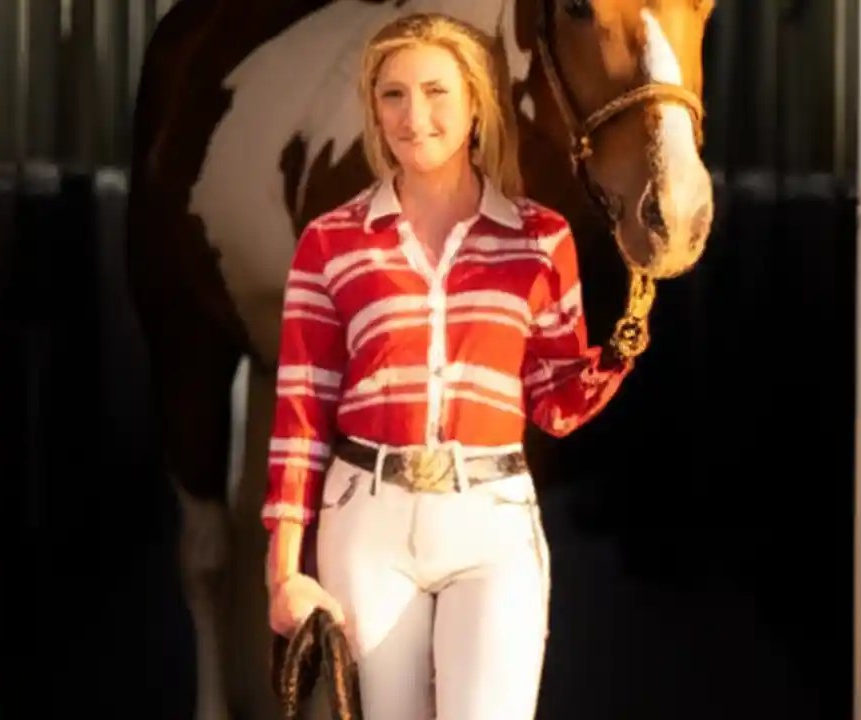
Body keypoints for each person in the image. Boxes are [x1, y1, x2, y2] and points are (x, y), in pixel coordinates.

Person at [261, 12, 635, 720]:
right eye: (392, 94)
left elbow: (553, 405)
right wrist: (283, 573)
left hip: (490, 518)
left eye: (436, 92)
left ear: (475, 104)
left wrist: (619, 351)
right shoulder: (329, 243)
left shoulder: (540, 240)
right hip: (365, 521)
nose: (414, 116)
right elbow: (300, 416)